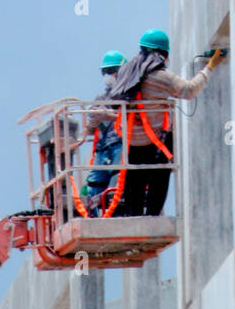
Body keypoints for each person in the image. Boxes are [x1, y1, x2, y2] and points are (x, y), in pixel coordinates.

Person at [92, 29, 226, 216]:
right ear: (163, 53)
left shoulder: (126, 71)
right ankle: (153, 214)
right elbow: (188, 91)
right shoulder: (161, 76)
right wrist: (210, 66)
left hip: (132, 141)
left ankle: (134, 216)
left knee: (134, 178)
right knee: (160, 175)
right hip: (156, 142)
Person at [79, 50, 127, 217]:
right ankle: (92, 215)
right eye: (104, 72)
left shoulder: (129, 96)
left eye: (111, 70)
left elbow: (134, 118)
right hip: (103, 150)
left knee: (115, 190)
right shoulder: (101, 98)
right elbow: (90, 128)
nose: (108, 75)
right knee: (91, 191)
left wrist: (109, 114)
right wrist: (94, 116)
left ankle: (114, 214)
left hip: (121, 145)